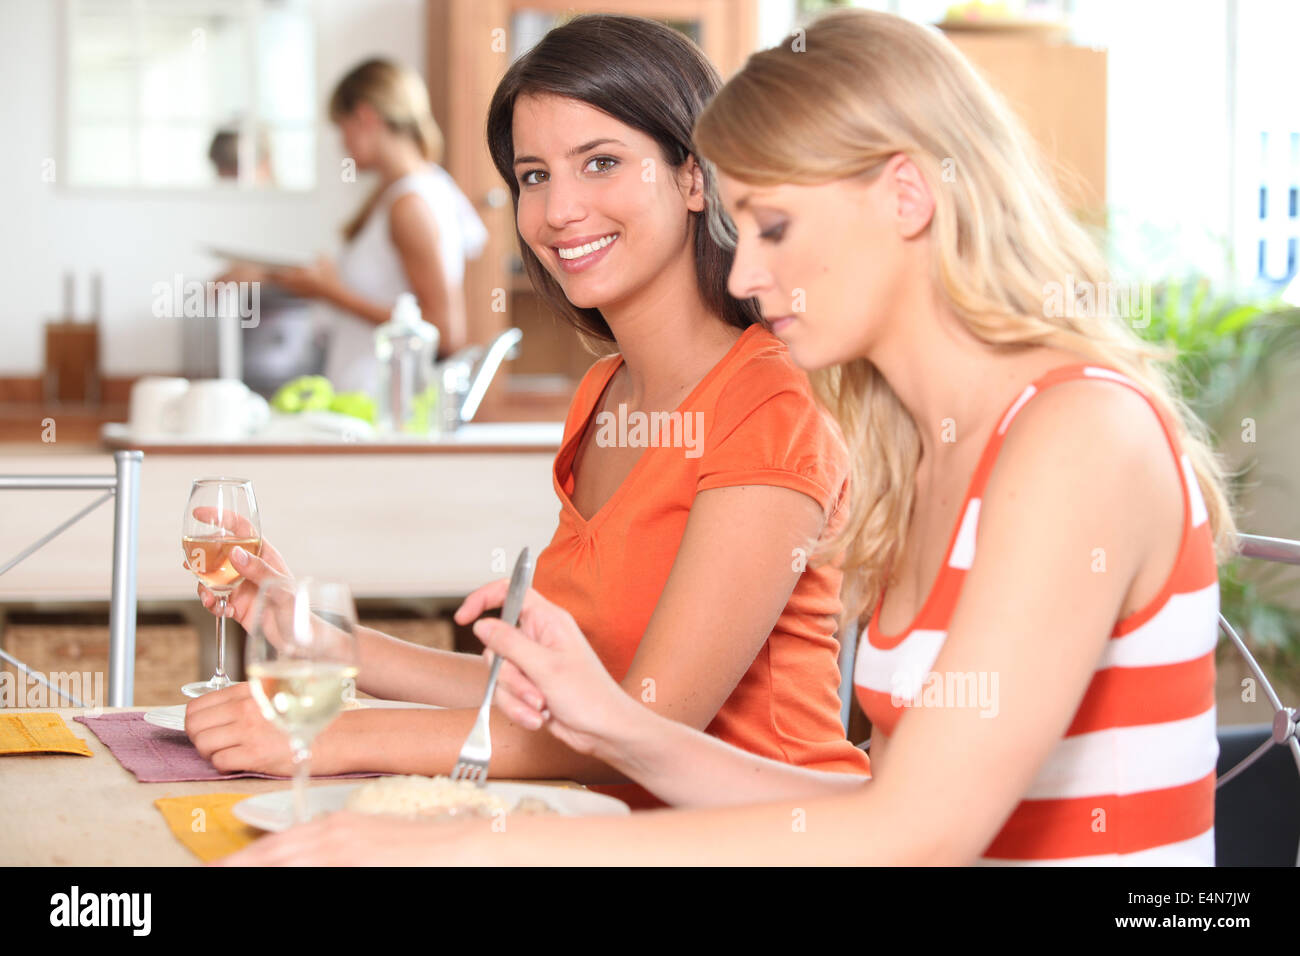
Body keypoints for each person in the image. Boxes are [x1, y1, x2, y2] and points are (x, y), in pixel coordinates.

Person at [223, 8, 1237, 866]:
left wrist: (445, 842)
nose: (744, 273)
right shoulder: (921, 453)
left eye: (775, 227)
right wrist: (611, 719)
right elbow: (861, 799)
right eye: (741, 227)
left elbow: (915, 829)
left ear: (906, 195)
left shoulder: (1076, 433)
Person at [186, 15, 870, 808]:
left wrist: (333, 733)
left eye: (602, 163)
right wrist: (324, 642)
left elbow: (644, 727)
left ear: (693, 177)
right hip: (604, 827)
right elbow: (544, 701)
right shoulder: (604, 393)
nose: (558, 211)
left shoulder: (768, 406)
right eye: (534, 176)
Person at [258, 58, 486, 393]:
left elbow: (446, 333)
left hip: (383, 405)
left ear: (365, 116)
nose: (343, 145)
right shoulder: (410, 191)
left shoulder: (410, 206)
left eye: (342, 127)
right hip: (365, 400)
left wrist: (331, 293)